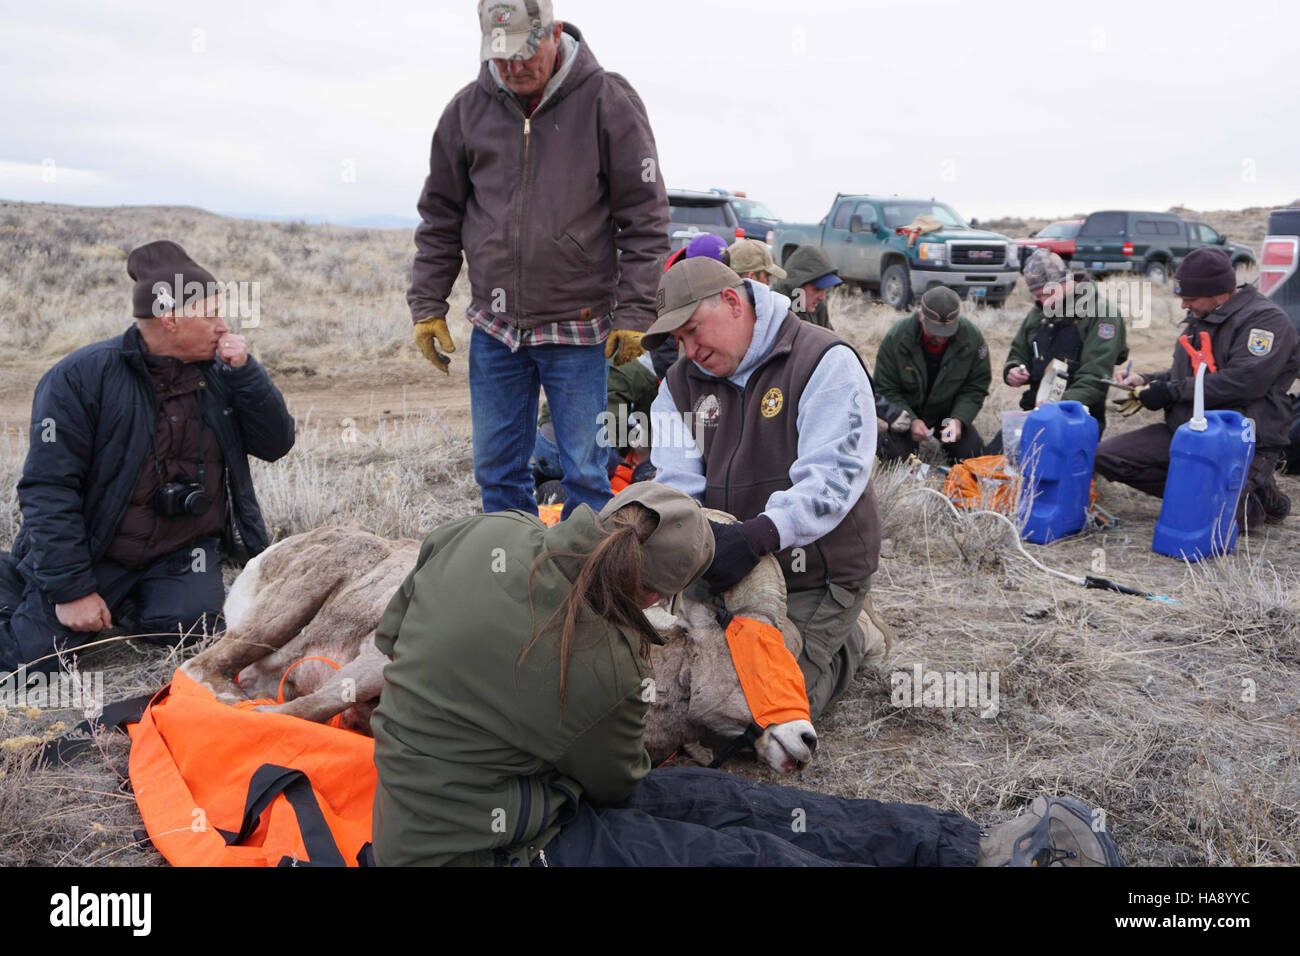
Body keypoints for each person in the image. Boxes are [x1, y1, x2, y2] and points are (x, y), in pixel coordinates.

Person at [370, 482, 1123, 867]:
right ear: (655, 594)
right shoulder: (605, 665)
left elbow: (393, 634)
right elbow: (619, 788)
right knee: (738, 854)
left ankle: (968, 849)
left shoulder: (486, 532)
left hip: (506, 798)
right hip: (487, 852)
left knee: (716, 795)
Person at [406, 1, 667, 519]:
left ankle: (582, 586)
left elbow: (644, 217)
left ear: (553, 34)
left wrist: (637, 314)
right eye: (500, 57)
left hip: (579, 328)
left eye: (524, 53)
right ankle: (512, 578)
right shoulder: (466, 111)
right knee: (497, 472)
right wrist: (427, 304)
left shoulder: (606, 100)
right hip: (496, 331)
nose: (513, 67)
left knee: (587, 474)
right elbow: (440, 216)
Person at [0, 241, 295, 675]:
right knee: (33, 666)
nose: (223, 326)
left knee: (189, 631)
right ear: (170, 320)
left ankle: (126, 598)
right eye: (211, 314)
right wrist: (71, 589)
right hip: (100, 545)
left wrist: (247, 373)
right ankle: (20, 576)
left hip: (181, 549)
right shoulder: (80, 378)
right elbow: (49, 488)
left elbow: (276, 443)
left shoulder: (224, 371)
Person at [645, 257, 878, 720]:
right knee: (677, 693)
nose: (689, 349)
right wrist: (685, 547)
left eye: (693, 330)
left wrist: (758, 536)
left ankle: (855, 637)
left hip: (815, 571)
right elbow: (677, 483)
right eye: (678, 340)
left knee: (760, 711)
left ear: (733, 302)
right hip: (724, 567)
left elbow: (833, 476)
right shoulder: (677, 386)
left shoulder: (823, 361)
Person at [1096, 247, 1298, 526]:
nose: (1183, 306)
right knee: (1107, 457)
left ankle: (1258, 499)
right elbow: (1193, 371)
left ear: (1219, 292)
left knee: (1217, 521)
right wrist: (1149, 380)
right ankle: (1194, 492)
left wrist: (1171, 391)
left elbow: (1244, 381)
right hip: (1187, 429)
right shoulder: (1202, 314)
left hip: (1241, 437)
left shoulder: (1266, 322)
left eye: (1190, 299)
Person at [993, 249, 1129, 452]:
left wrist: (1052, 409)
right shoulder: (1039, 312)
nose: (1045, 302)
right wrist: (1013, 370)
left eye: (1048, 293)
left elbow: (1094, 378)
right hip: (1035, 412)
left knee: (1048, 471)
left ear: (1067, 282)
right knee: (987, 463)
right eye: (1038, 296)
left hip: (1076, 417)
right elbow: (1018, 351)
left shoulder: (1102, 314)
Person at [873, 286, 991, 463]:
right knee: (896, 458)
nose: (941, 338)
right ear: (921, 317)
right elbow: (885, 387)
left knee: (973, 455)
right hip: (905, 413)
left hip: (947, 414)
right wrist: (910, 419)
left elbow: (976, 386)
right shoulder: (897, 337)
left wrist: (958, 420)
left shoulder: (971, 338)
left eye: (947, 333)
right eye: (935, 332)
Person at [772, 245, 841, 329]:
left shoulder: (818, 307)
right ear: (797, 285)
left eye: (825, 289)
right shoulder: (776, 311)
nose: (822, 297)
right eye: (817, 289)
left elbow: (831, 339)